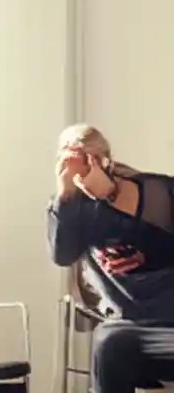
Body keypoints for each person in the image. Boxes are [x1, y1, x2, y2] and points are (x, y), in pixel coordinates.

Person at [47, 122, 174, 393]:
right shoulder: (73, 208)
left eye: (90, 158)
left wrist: (111, 194)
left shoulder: (155, 189)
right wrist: (65, 194)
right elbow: (62, 254)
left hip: (168, 319)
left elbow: (163, 232)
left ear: (107, 160)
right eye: (69, 158)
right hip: (127, 324)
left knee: (114, 342)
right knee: (111, 343)